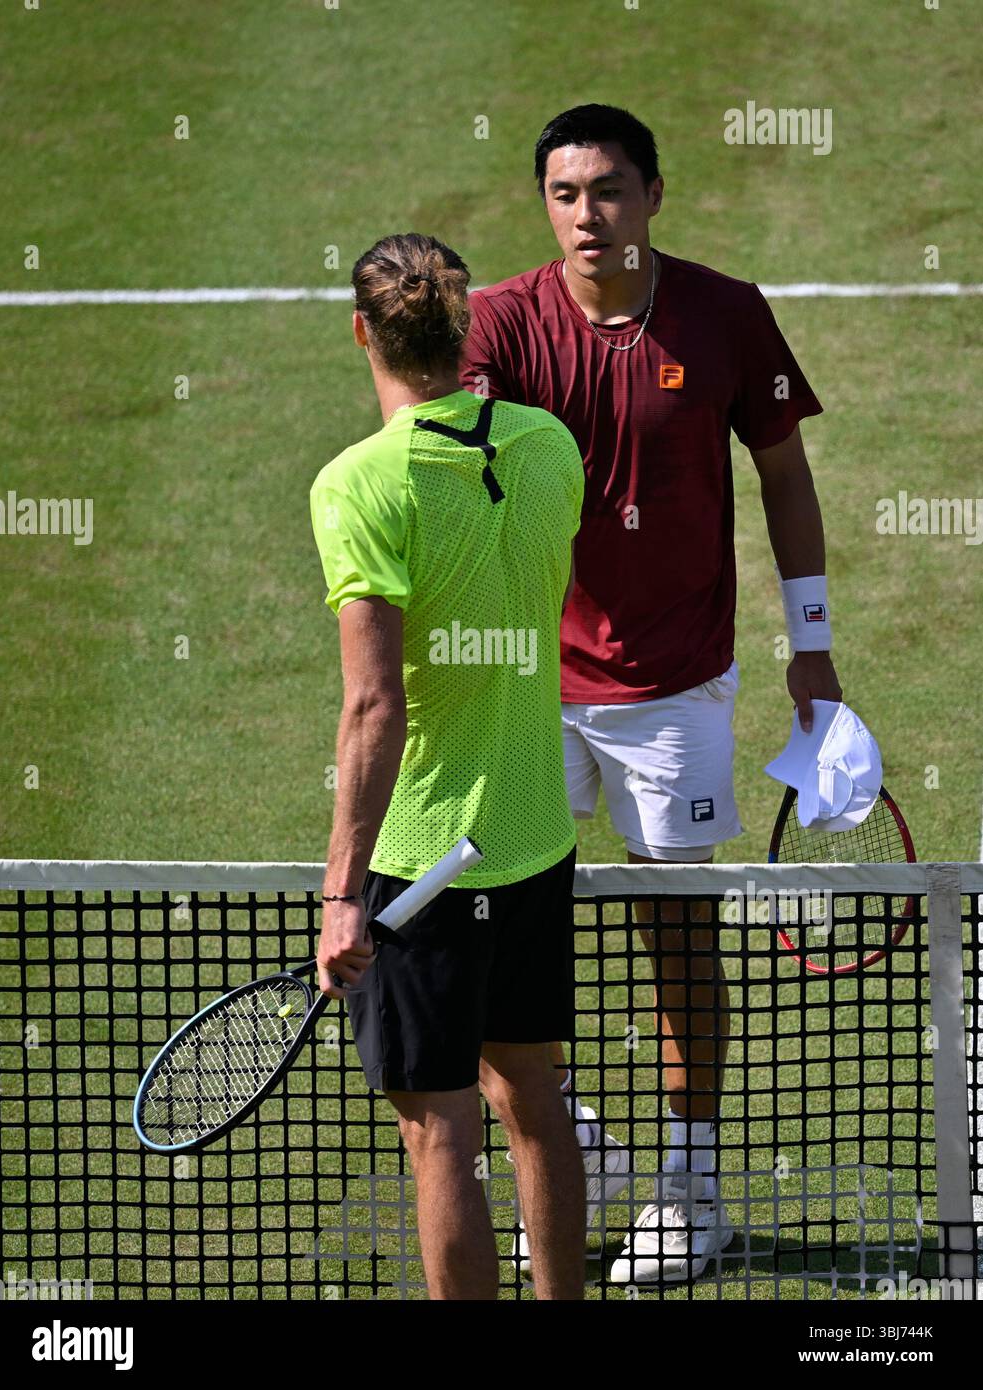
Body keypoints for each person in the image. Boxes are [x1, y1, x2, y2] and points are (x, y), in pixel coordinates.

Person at [459, 104, 843, 1284]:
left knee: (674, 934)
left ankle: (689, 1180)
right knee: (482, 930)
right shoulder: (498, 324)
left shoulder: (725, 312)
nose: (589, 214)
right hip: (522, 678)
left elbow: (781, 473)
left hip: (671, 680)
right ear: (545, 206)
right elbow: (434, 452)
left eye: (610, 190)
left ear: (653, 195)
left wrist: (811, 645)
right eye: (566, 194)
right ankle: (566, 1145)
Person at [310, 232, 589, 1300]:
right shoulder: (548, 447)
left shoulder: (357, 485)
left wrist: (343, 892)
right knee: (533, 1096)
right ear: (462, 327)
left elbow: (373, 704)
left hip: (420, 864)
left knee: (439, 1134)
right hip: (531, 837)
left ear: (362, 332)